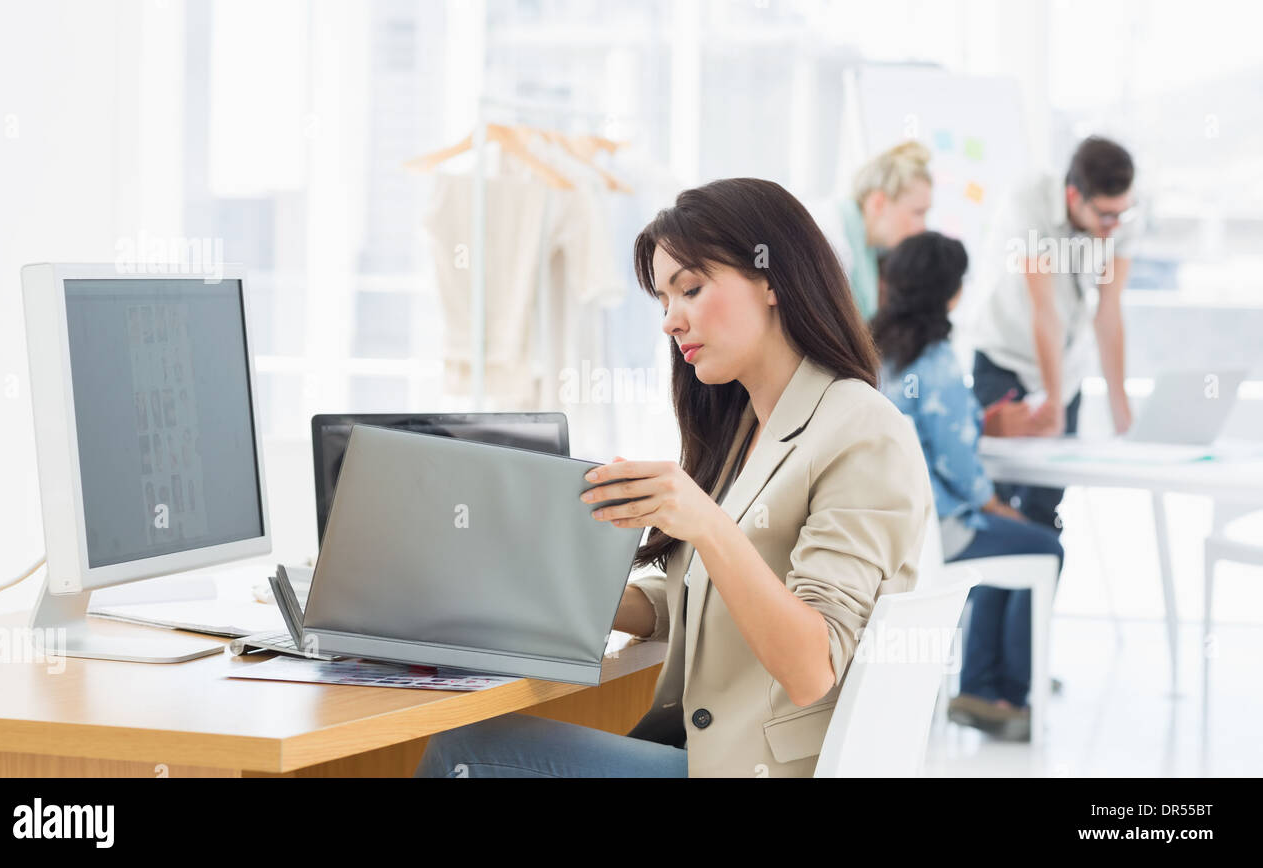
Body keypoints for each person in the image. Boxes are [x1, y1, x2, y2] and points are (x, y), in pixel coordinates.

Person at [415, 178, 933, 778]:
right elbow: (706, 593)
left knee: (463, 751)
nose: (669, 321)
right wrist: (555, 591)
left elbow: (812, 668)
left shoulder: (861, 430)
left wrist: (707, 524)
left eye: (690, 288)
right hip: (703, 750)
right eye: (663, 300)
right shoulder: (746, 427)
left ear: (772, 279)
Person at [876, 230, 1064, 740]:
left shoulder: (872, 354)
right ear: (953, 293)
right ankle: (997, 692)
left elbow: (925, 434)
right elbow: (961, 468)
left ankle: (983, 684)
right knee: (1043, 543)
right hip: (938, 534)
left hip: (887, 529)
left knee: (1017, 535)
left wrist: (977, 418)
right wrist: (996, 505)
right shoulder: (936, 362)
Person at [970, 136, 1137, 533]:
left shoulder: (1121, 216)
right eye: (1106, 216)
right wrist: (1051, 398)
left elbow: (1109, 315)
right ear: (1073, 195)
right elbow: (1044, 311)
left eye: (1122, 215)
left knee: (1045, 509)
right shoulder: (1031, 201)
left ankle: (1035, 596)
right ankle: (983, 597)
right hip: (1006, 357)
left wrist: (1121, 408)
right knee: (997, 501)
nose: (1114, 227)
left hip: (1068, 368)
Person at [812, 141, 933, 321]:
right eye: (917, 213)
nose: (923, 227)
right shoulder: (830, 238)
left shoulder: (867, 249)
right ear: (878, 203)